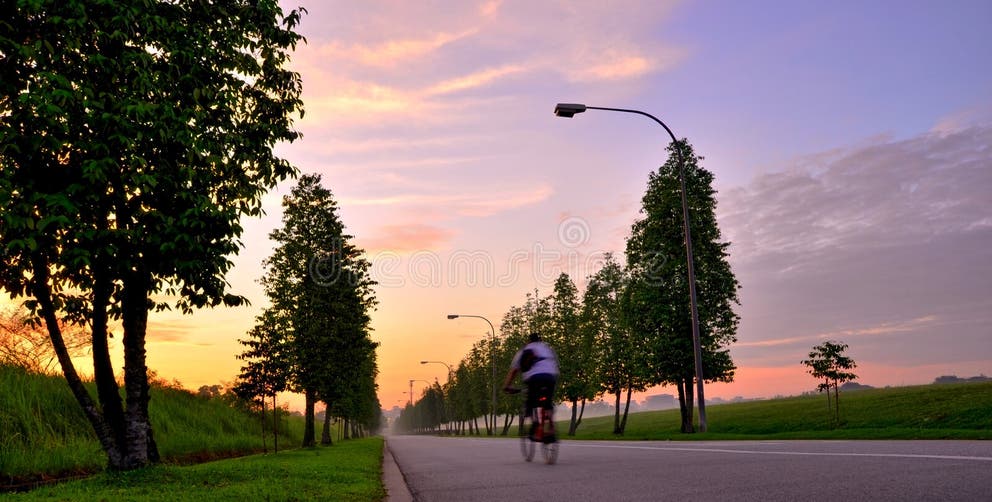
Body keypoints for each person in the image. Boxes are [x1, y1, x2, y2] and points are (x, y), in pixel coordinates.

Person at [502, 332, 559, 442]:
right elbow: (555, 364)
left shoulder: (524, 350)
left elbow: (514, 371)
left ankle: (535, 425)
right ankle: (550, 430)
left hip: (534, 378)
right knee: (548, 402)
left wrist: (507, 386)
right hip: (550, 376)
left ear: (528, 341)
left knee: (531, 401)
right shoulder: (547, 347)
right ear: (540, 340)